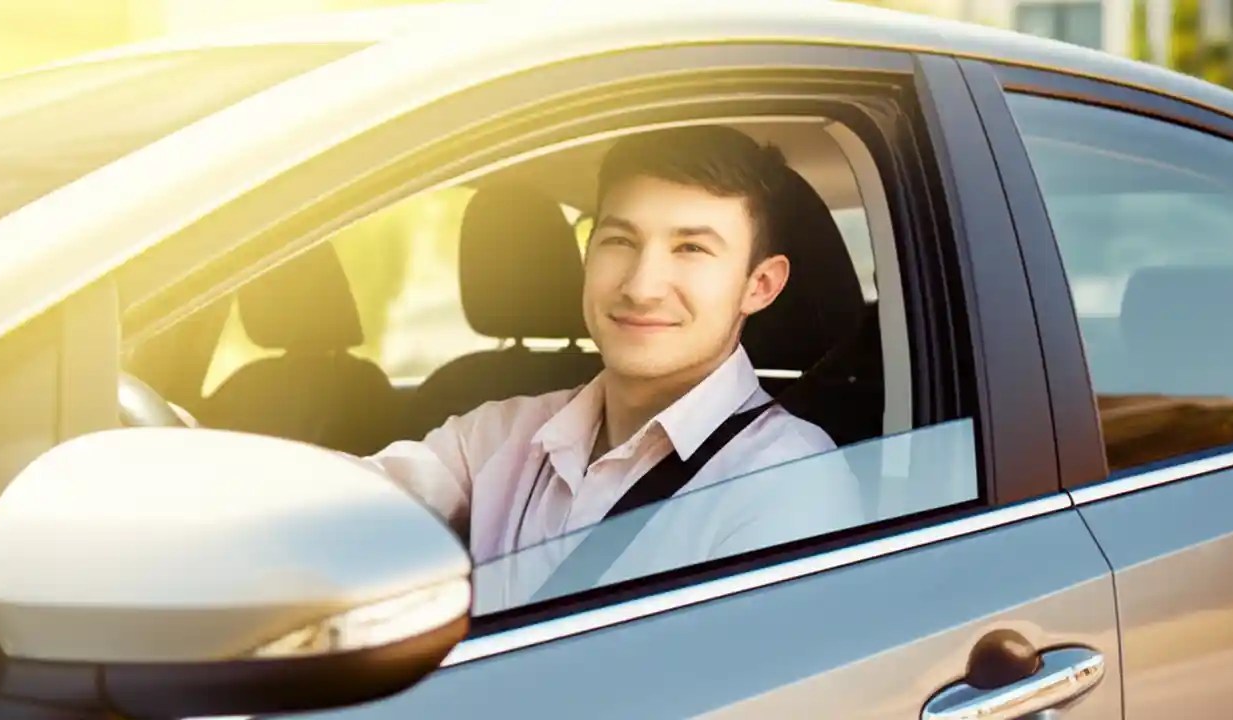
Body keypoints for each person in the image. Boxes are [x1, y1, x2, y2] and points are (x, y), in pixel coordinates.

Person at [364, 126, 862, 610]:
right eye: (621, 241)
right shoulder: (502, 435)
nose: (642, 287)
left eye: (691, 248)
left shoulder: (788, 481)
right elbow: (346, 509)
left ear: (760, 285)